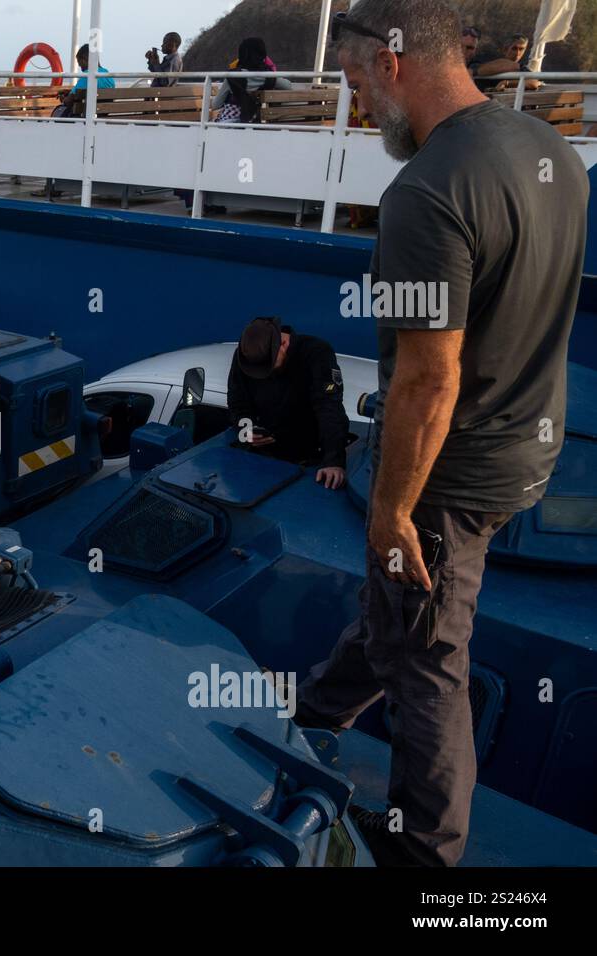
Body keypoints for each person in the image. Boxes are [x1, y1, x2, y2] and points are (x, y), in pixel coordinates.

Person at [299, 0, 586, 867]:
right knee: (400, 612)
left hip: (448, 478)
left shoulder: (422, 194)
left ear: (392, 64)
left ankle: (428, 863)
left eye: (354, 84)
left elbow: (429, 377)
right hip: (526, 455)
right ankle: (314, 714)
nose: (357, 107)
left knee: (428, 665)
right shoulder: (551, 152)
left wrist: (390, 513)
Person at [226, 316, 349, 489]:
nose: (264, 375)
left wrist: (334, 461)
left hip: (309, 458)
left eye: (268, 367)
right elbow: (237, 402)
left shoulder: (317, 353)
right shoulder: (248, 355)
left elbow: (329, 406)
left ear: (283, 344)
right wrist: (246, 430)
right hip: (262, 458)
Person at [213, 37, 291, 123]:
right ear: (263, 55)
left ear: (242, 55)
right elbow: (288, 86)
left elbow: (215, 105)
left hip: (230, 122)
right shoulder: (268, 77)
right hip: (255, 122)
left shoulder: (233, 76)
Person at [469, 33, 542, 91]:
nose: (517, 53)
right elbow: (475, 69)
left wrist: (507, 83)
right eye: (514, 48)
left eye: (521, 49)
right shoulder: (488, 62)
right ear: (505, 49)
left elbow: (534, 82)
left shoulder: (521, 68)